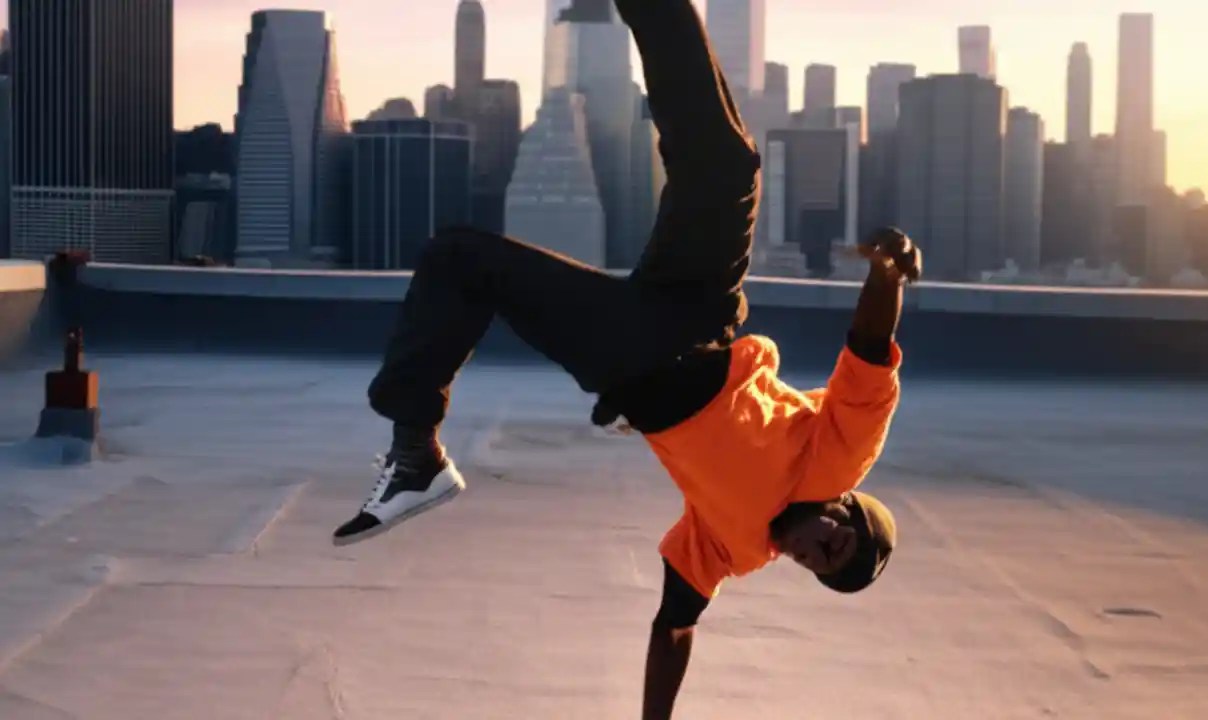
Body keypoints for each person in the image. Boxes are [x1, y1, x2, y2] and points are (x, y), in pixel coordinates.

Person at [334, 0, 922, 716]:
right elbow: (866, 356)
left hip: (635, 360)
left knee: (458, 256)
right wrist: (888, 275)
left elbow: (673, 630)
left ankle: (415, 451)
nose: (811, 553)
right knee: (727, 163)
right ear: (846, 514)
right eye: (833, 545)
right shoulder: (843, 454)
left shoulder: (731, 547)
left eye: (815, 567)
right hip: (702, 310)